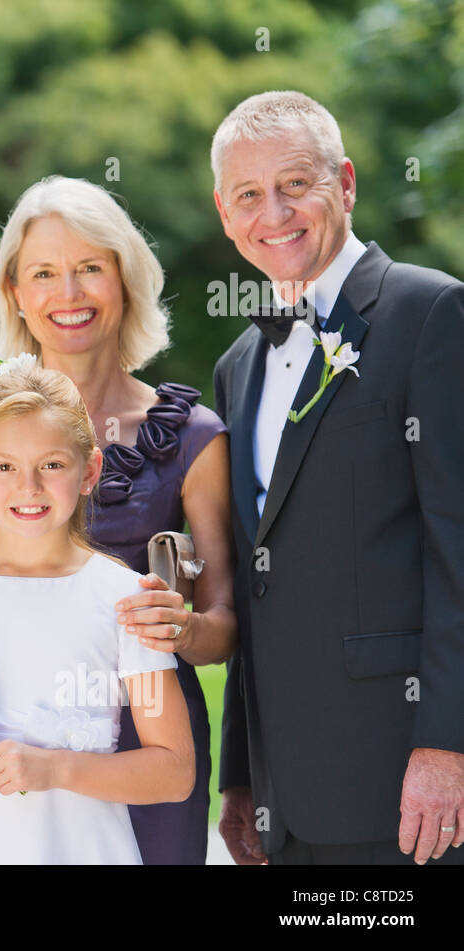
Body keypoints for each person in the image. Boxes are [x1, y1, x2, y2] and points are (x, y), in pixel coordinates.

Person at [0, 176, 236, 864]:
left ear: (127, 280)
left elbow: (227, 626)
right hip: (0, 762)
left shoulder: (194, 437)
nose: (68, 293)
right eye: (44, 273)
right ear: (14, 292)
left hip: (148, 743)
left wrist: (182, 628)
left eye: (89, 270)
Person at [210, 91, 464, 865]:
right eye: (249, 195)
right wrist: (242, 774)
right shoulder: (238, 367)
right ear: (225, 214)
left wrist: (448, 750)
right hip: (286, 800)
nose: (274, 212)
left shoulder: (433, 314)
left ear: (345, 184)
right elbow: (260, 579)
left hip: (408, 788)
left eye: (296, 184)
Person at [0, 359, 194, 863]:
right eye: (4, 466)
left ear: (89, 470)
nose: (28, 487)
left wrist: (57, 770)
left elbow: (175, 772)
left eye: (51, 464)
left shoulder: (126, 599)